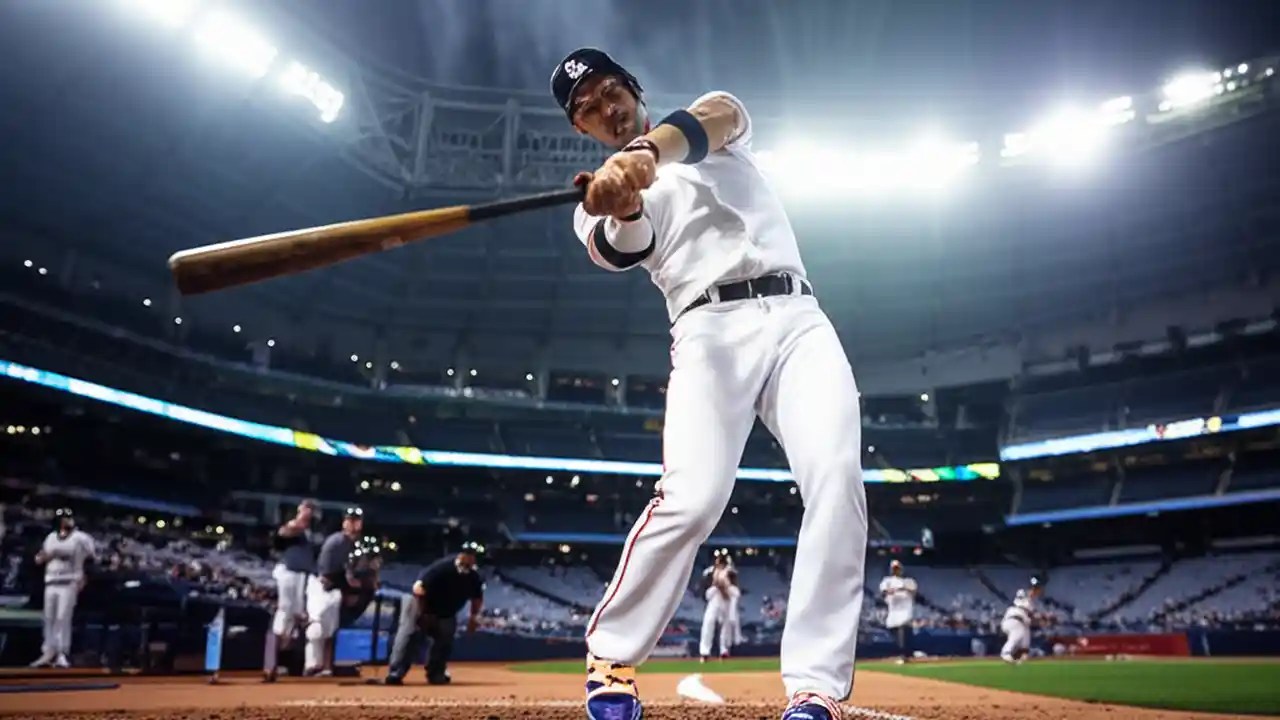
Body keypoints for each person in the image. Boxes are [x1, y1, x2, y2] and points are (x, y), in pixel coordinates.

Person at [550, 48, 866, 720]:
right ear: (579, 128)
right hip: (706, 330)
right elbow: (621, 246)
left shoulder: (702, 123)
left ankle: (814, 688)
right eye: (587, 108)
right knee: (692, 499)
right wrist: (626, 200)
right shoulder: (591, 203)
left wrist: (643, 155)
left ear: (630, 88)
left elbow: (719, 114)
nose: (606, 108)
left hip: (797, 316)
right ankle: (610, 659)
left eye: (611, 90)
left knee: (837, 475)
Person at [384, 542, 485, 686]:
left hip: (446, 611)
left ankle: (436, 673)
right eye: (468, 554)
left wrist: (474, 617)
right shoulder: (444, 567)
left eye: (473, 556)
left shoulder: (474, 576)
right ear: (461, 555)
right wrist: (423, 614)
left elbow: (477, 598)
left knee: (446, 638)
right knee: (410, 635)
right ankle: (395, 673)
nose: (470, 558)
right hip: (421, 604)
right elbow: (419, 588)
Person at [304, 506, 365, 676]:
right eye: (351, 520)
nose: (354, 524)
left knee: (331, 630)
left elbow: (348, 572)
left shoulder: (351, 544)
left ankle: (326, 667)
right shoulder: (337, 541)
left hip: (334, 589)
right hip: (321, 587)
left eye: (357, 521)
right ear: (345, 523)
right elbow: (327, 574)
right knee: (316, 628)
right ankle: (312, 665)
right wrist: (349, 586)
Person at [31, 508, 95, 668]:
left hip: (69, 582)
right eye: (62, 518)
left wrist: (85, 578)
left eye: (68, 518)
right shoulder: (51, 537)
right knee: (49, 618)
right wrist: (46, 556)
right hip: (51, 581)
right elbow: (39, 558)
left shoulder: (81, 538)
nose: (66, 521)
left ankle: (61, 654)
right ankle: (48, 652)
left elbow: (92, 558)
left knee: (62, 618)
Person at [264, 499, 319, 682]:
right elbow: (281, 534)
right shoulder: (295, 527)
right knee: (284, 613)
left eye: (312, 510)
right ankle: (271, 663)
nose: (310, 513)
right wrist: (299, 521)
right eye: (307, 509)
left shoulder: (311, 531)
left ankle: (284, 663)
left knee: (296, 617)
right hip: (288, 572)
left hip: (302, 575)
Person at [699, 549, 740, 661]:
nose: (720, 562)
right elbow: (705, 592)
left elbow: (735, 589)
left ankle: (724, 650)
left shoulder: (730, 572)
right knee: (708, 624)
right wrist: (716, 585)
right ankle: (705, 652)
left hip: (725, 600)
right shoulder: (709, 572)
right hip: (714, 600)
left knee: (725, 627)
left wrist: (726, 586)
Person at [878, 560, 918, 664]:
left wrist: (902, 588)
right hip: (893, 610)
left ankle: (903, 655)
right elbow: (884, 591)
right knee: (893, 631)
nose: (896, 571)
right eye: (894, 569)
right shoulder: (887, 580)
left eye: (897, 568)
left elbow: (913, 590)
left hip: (905, 609)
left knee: (902, 630)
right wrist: (893, 590)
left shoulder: (908, 581)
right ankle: (905, 652)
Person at [1000, 580, 1042, 664]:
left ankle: (1022, 654)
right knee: (1018, 633)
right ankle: (1005, 653)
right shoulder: (1023, 598)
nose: (1034, 591)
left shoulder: (1030, 603)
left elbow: (1033, 618)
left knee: (1025, 631)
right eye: (1034, 589)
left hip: (1017, 621)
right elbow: (1028, 593)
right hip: (1013, 619)